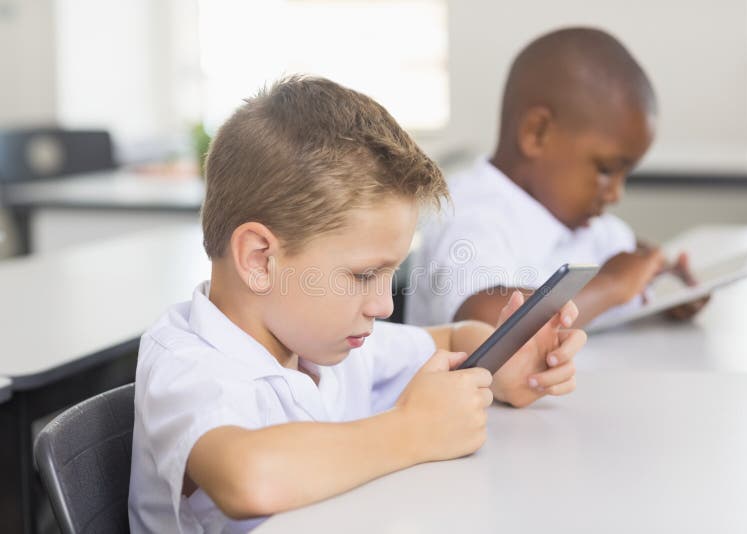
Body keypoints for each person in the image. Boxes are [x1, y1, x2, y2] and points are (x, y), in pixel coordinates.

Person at [128, 75, 586, 533]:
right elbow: (249, 479)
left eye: (391, 274)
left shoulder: (319, 340)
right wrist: (411, 430)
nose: (384, 305)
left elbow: (450, 339)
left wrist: (503, 361)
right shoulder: (189, 364)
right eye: (365, 275)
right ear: (259, 259)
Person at [405, 27, 709, 329]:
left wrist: (664, 289)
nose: (616, 193)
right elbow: (485, 322)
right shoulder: (471, 213)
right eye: (606, 169)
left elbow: (628, 268)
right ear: (536, 133)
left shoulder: (587, 225)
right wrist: (612, 285)